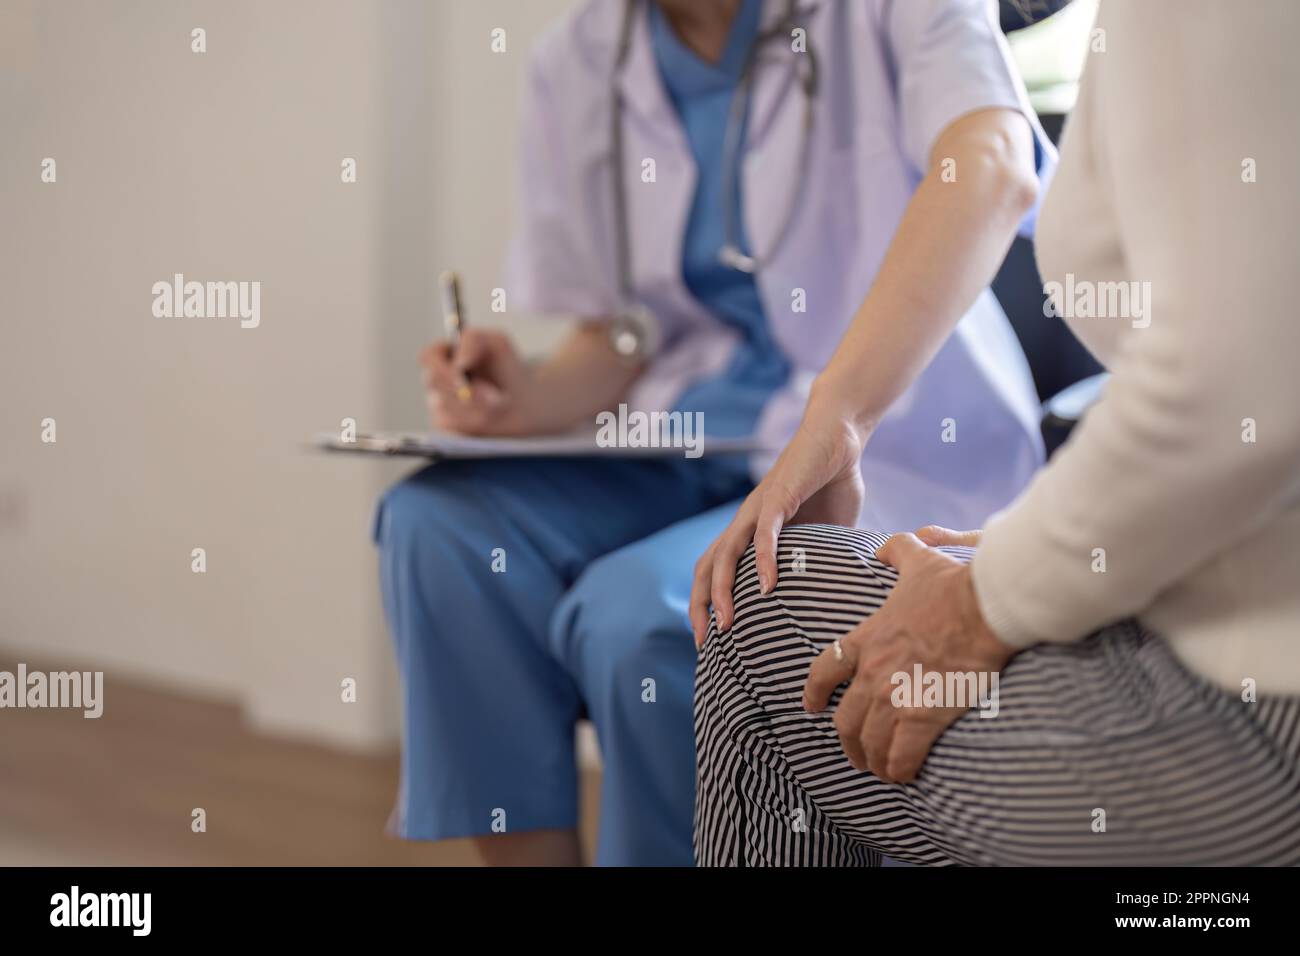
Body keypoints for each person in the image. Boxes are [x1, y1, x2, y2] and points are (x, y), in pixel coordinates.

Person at [375, 0, 1054, 866]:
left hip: (884, 438)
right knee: (440, 527)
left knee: (651, 620)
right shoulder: (580, 56)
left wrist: (839, 413)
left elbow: (993, 168)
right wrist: (526, 397)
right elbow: (624, 337)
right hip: (681, 431)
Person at [691, 0, 1300, 865]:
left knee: (757, 613)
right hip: (1226, 587)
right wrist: (1030, 557)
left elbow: (1231, 380)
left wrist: (983, 605)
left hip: (1260, 716)